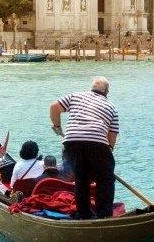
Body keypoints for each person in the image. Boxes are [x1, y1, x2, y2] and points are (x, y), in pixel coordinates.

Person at [50, 76, 119, 219]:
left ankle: (84, 215)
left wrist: (58, 128)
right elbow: (112, 135)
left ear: (91, 88)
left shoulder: (75, 96)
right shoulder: (111, 107)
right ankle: (104, 215)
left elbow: (54, 107)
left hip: (71, 142)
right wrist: (108, 152)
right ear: (107, 92)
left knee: (82, 179)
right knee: (105, 179)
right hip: (97, 144)